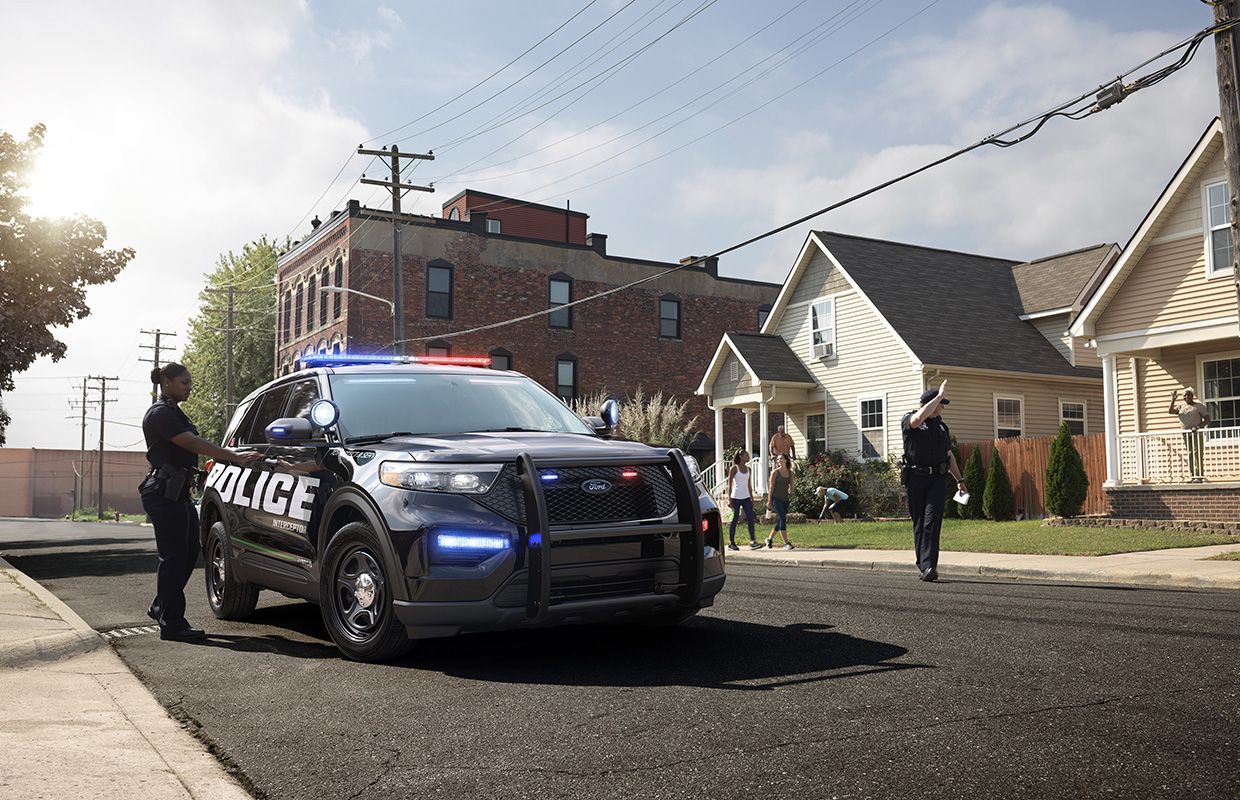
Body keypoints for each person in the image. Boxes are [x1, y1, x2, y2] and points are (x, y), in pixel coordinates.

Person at [140, 363, 261, 641]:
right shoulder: (159, 413)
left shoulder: (173, 412)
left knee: (189, 552)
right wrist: (234, 456)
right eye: (184, 382)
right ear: (167, 383)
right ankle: (172, 623)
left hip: (178, 491)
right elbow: (191, 443)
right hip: (163, 492)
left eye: (189, 382)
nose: (189, 387)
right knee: (172, 558)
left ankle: (161, 605)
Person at [900, 382, 965, 582]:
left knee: (932, 521)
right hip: (916, 478)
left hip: (937, 479)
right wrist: (937, 397)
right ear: (929, 403)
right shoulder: (910, 419)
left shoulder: (942, 427)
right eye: (940, 403)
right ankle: (923, 564)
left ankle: (929, 566)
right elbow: (919, 418)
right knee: (920, 522)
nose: (942, 407)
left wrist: (960, 480)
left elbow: (948, 455)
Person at [1169, 387, 1211, 482]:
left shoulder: (1199, 406)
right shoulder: (1181, 407)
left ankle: (1199, 476)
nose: (1186, 397)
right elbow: (1170, 411)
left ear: (1192, 396)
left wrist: (1198, 427)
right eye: (1184, 395)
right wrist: (1173, 400)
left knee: (1197, 453)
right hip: (1186, 435)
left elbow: (1207, 420)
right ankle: (1193, 476)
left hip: (1196, 433)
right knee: (1190, 454)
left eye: (1188, 395)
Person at [726, 450, 762, 550]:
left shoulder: (749, 469)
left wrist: (752, 498)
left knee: (750, 518)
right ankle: (731, 543)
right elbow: (729, 485)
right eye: (746, 455)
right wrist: (729, 499)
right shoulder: (734, 468)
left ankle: (753, 541)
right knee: (735, 519)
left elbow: (749, 485)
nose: (748, 457)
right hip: (735, 497)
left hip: (746, 497)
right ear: (741, 456)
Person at [765, 454, 795, 550]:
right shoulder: (775, 473)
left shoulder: (791, 473)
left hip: (785, 499)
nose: (779, 460)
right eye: (778, 459)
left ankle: (769, 539)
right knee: (782, 518)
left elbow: (792, 486)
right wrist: (769, 501)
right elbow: (771, 487)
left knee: (779, 521)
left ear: (786, 460)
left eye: (781, 458)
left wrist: (792, 490)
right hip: (775, 499)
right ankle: (786, 543)